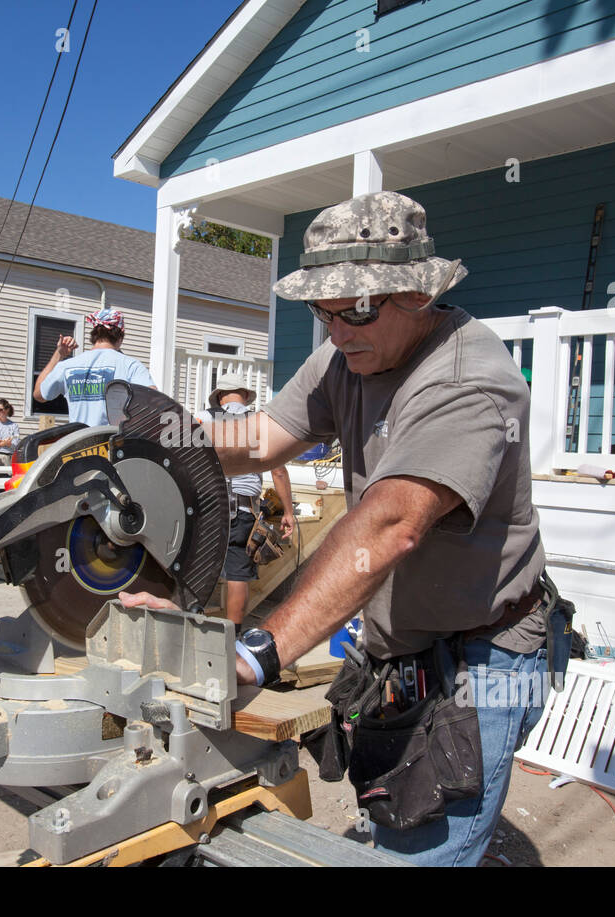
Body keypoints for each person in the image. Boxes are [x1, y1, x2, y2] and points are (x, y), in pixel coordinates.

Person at [123, 191, 557, 867]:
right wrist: (159, 440)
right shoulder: (345, 355)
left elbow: (390, 526)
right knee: (394, 818)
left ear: (418, 291)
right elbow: (266, 437)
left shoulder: (468, 381)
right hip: (400, 643)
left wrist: (258, 654)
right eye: (320, 313)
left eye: (355, 309)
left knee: (422, 850)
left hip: (482, 654)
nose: (337, 331)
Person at [195, 374, 294, 634]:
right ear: (245, 395)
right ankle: (233, 636)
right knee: (238, 572)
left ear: (219, 396)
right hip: (244, 509)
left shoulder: (203, 419)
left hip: (207, 507)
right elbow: (279, 471)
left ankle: (192, 626)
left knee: (199, 566)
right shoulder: (258, 423)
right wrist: (288, 511)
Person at [33, 307, 155, 425]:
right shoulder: (130, 365)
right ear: (120, 336)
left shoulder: (67, 366)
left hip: (79, 443)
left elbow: (39, 394)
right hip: (115, 443)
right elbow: (153, 401)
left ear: (94, 334)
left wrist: (59, 355)